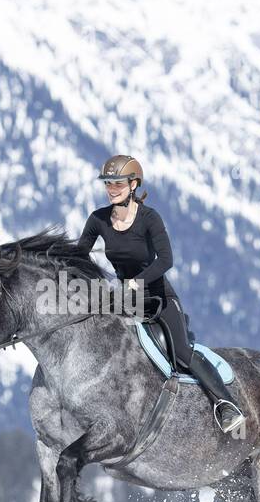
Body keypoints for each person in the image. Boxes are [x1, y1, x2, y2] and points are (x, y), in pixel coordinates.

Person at [76, 154, 246, 434]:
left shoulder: (149, 218)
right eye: (108, 183)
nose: (111, 188)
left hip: (158, 298)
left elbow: (165, 261)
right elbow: (80, 256)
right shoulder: (97, 220)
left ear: (133, 185)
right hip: (123, 300)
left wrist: (135, 283)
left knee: (181, 352)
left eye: (117, 183)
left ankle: (226, 405)